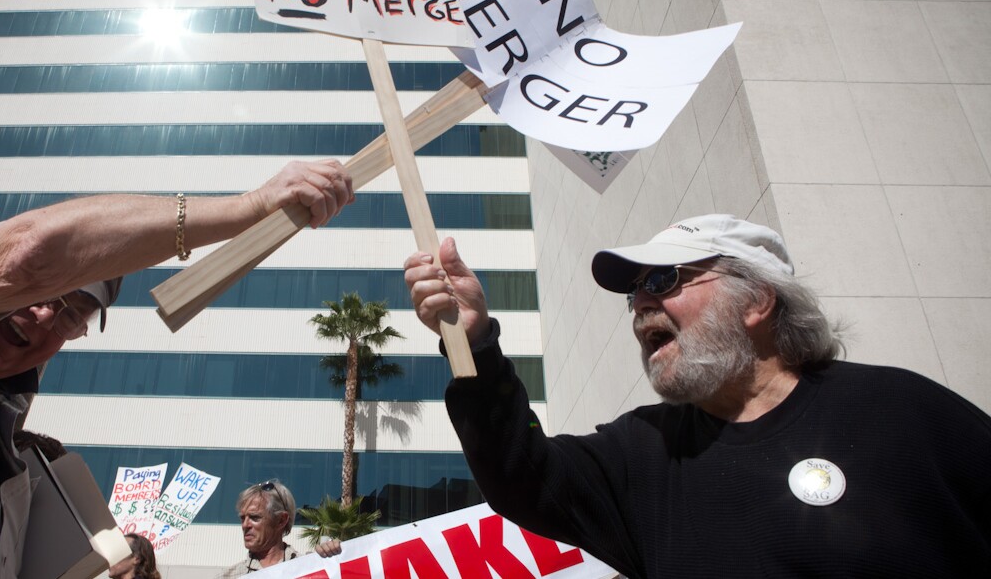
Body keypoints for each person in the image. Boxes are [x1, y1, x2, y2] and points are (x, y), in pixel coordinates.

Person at [0, 160, 354, 578]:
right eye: (47, 294)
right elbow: (27, 256)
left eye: (73, 314)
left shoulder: (13, 470)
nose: (43, 316)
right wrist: (249, 208)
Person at [404, 214, 991, 577]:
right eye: (633, 292)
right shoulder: (642, 451)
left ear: (756, 302)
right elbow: (523, 475)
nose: (639, 304)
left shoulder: (901, 410)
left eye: (663, 280)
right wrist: (475, 341)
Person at [217, 480, 341, 577]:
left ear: (281, 520)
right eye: (242, 518)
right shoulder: (228, 576)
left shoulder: (310, 569)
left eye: (254, 518)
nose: (245, 525)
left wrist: (336, 560)